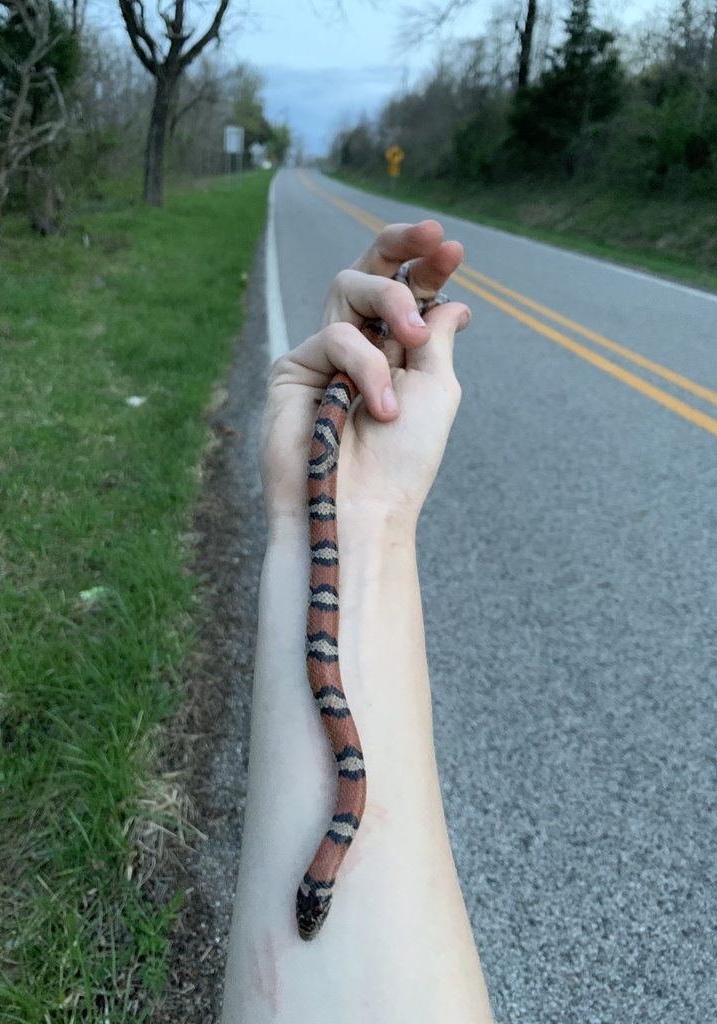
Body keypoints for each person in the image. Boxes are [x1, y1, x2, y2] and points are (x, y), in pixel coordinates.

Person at [221, 220, 494, 1023]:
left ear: (315, 881)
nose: (313, 906)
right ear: (322, 884)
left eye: (313, 899)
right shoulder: (331, 843)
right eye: (317, 901)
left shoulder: (329, 852)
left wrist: (362, 510)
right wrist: (360, 516)